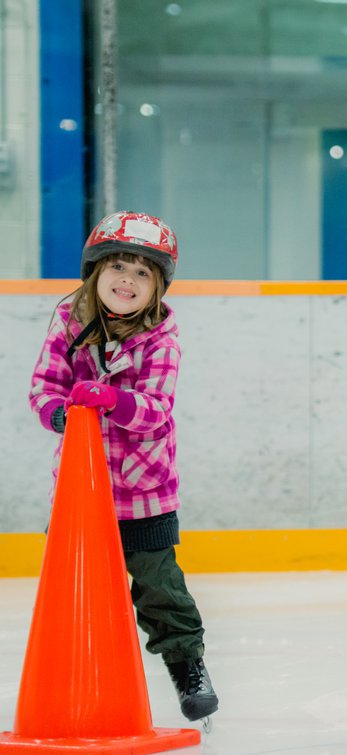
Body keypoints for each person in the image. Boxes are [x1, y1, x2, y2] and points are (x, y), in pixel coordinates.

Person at [29, 211, 219, 726]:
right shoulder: (68, 322)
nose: (127, 280)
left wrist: (113, 399)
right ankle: (67, 678)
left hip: (143, 492)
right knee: (71, 589)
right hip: (79, 490)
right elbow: (44, 387)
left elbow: (156, 409)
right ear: (95, 271)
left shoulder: (162, 340)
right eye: (117, 266)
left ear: (157, 286)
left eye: (142, 272)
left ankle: (187, 667)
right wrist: (60, 414)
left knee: (160, 589)